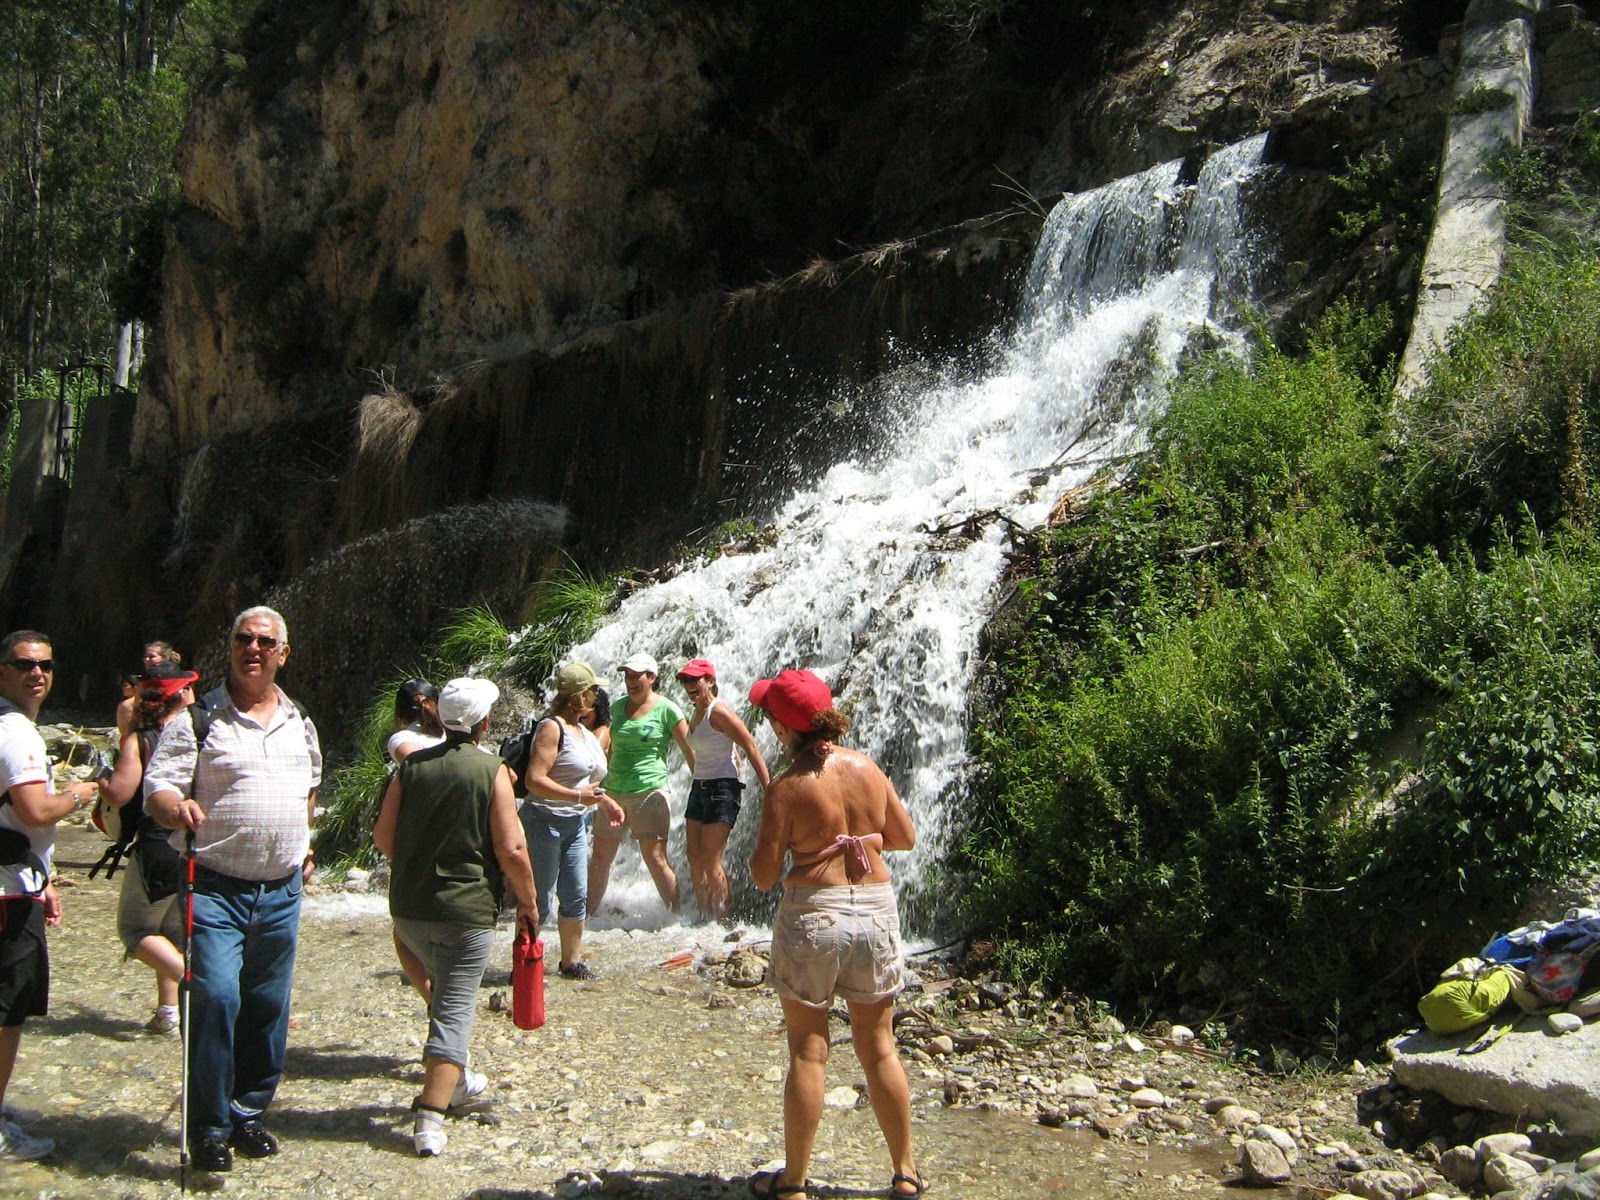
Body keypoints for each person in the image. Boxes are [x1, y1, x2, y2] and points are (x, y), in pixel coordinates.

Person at [145, 606, 321, 1173]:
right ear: (230, 647)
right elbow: (157, 791)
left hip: (282, 891)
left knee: (268, 1006)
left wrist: (303, 844)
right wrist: (176, 808)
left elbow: (310, 789)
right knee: (218, 998)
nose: (253, 648)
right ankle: (209, 1126)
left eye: (265, 642)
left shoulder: (301, 721)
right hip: (215, 886)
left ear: (283, 654)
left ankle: (249, 1112)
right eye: (243, 639)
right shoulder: (197, 720)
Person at [747, 669, 923, 1200]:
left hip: (814, 913)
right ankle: (906, 1174)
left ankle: (794, 1184)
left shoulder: (787, 785)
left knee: (808, 1050)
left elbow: (760, 874)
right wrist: (856, 839)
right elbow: (905, 838)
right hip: (874, 907)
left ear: (783, 728)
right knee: (880, 1047)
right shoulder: (869, 769)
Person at [372, 676, 539, 1157]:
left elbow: (384, 838)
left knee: (445, 997)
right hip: (465, 912)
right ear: (484, 723)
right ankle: (430, 1119)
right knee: (453, 1014)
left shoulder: (411, 768)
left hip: (409, 911)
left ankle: (459, 1082)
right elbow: (511, 848)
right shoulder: (492, 771)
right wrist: (528, 904)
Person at [0, 630, 99, 1161]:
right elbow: (36, 811)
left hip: (20, 882)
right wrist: (79, 794)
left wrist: (46, 877)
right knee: (8, 1010)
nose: (37, 673)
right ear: (2, 672)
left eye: (46, 665)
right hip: (8, 895)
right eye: (23, 664)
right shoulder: (18, 735)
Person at [97, 661, 200, 1035]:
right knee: (172, 934)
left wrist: (100, 783)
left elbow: (122, 793)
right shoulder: (201, 735)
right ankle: (168, 1015)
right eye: (189, 688)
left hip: (156, 845)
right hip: (191, 846)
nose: (195, 694)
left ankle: (198, 984)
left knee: (136, 931)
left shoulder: (140, 738)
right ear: (179, 695)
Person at [521, 662, 626, 980]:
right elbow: (534, 780)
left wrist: (605, 801)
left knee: (576, 894)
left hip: (577, 823)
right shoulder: (552, 728)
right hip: (545, 821)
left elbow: (586, 781)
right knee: (538, 897)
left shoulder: (582, 731)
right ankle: (526, 960)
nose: (597, 695)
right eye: (593, 690)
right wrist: (579, 798)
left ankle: (571, 962)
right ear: (580, 696)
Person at [587, 652, 693, 916]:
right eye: (627, 676)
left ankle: (675, 916)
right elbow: (606, 749)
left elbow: (691, 749)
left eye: (637, 676)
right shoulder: (615, 709)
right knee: (600, 858)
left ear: (652, 678)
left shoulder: (667, 709)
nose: (631, 681)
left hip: (650, 791)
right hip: (613, 792)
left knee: (656, 858)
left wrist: (702, 782)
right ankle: (585, 916)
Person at [676, 658, 770, 922]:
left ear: (710, 681)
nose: (690, 685)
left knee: (710, 858)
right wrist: (734, 754)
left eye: (696, 680)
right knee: (693, 855)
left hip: (722, 787)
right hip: (700, 785)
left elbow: (750, 744)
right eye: (686, 681)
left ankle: (723, 919)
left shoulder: (719, 711)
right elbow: (723, 744)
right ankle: (703, 915)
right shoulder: (697, 710)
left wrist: (769, 787)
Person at [385, 679, 445, 1002]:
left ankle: (432, 998)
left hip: (419, 841)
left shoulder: (402, 738)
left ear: (399, 713)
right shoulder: (457, 739)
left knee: (405, 931)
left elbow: (412, 766)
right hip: (460, 838)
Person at [580, 685, 613, 755]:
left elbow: (593, 756)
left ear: (599, 709)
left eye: (590, 706)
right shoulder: (583, 730)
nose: (584, 711)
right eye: (581, 706)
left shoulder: (602, 731)